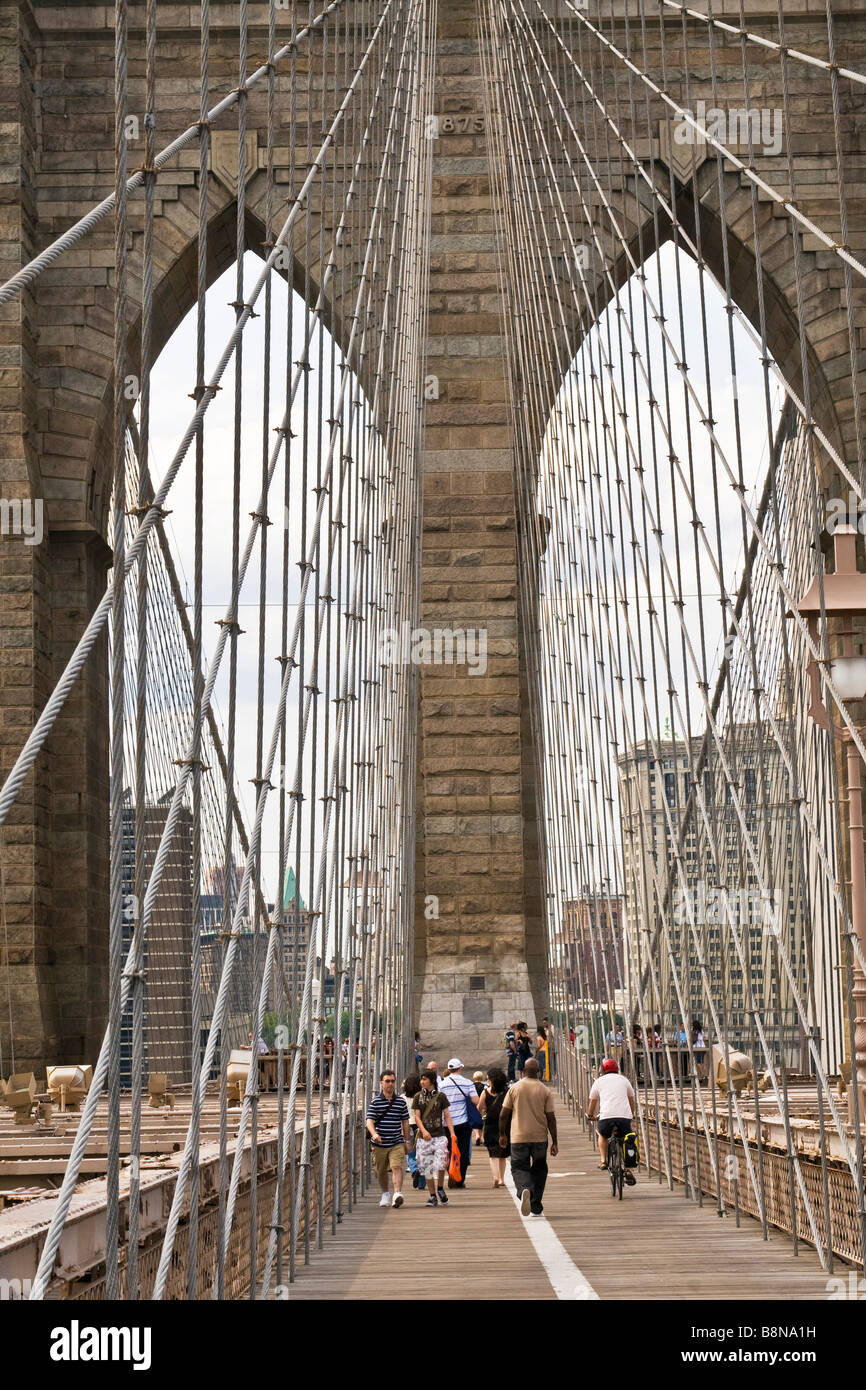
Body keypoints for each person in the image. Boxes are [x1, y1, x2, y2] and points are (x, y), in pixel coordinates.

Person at [500, 1057, 557, 1216]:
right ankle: (536, 1204)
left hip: (518, 1136)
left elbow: (503, 1114)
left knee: (519, 1167)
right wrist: (555, 1142)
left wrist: (502, 1134)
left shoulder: (515, 1088)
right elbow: (551, 1117)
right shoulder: (544, 1090)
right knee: (539, 1169)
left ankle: (525, 1189)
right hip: (539, 1137)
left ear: (523, 1071)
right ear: (538, 1072)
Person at [586, 1058, 636, 1186]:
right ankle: (628, 1169)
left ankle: (603, 1160)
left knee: (602, 1134)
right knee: (626, 1138)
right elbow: (631, 1099)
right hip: (624, 1118)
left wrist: (589, 1114)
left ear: (602, 1070)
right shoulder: (624, 1080)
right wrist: (631, 1113)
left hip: (606, 1117)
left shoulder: (598, 1082)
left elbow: (593, 1102)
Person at [365, 1069, 411, 1208]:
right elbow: (369, 1121)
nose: (390, 1084)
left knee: (397, 1166)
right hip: (379, 1143)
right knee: (381, 1170)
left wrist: (407, 1141)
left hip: (396, 1141)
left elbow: (405, 1122)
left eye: (392, 1081)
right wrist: (374, 1134)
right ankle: (385, 1193)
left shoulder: (400, 1102)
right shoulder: (376, 1102)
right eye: (387, 1081)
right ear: (381, 1083)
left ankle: (397, 1193)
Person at [413, 1069, 456, 1207]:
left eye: (424, 1079)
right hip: (424, 1138)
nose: (422, 1082)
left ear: (431, 1081)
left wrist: (452, 1132)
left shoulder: (441, 1096)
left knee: (441, 1163)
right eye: (421, 1079)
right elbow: (417, 1117)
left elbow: (447, 1115)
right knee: (427, 1167)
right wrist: (424, 1131)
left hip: (439, 1135)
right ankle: (432, 1195)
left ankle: (440, 1188)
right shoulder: (418, 1097)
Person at [437, 1058, 477, 1187]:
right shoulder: (468, 1083)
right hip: (463, 1122)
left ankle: (451, 1173)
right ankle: (459, 1180)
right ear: (460, 1068)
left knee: (448, 1151)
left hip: (446, 1124)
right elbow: (476, 1100)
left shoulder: (442, 1085)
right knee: (463, 1152)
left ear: (449, 1070)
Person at [477, 1066, 510, 1186]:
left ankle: (495, 1177)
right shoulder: (506, 1092)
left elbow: (479, 1108)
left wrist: (483, 1114)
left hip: (490, 1125)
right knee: (503, 1154)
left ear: (491, 1080)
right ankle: (502, 1179)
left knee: (493, 1154)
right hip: (505, 1125)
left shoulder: (485, 1093)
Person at [403, 1072, 422, 1188]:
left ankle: (414, 1169)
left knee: (410, 1153)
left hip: (407, 1126)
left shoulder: (402, 1098)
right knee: (422, 1153)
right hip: (419, 1126)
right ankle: (421, 1182)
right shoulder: (421, 1097)